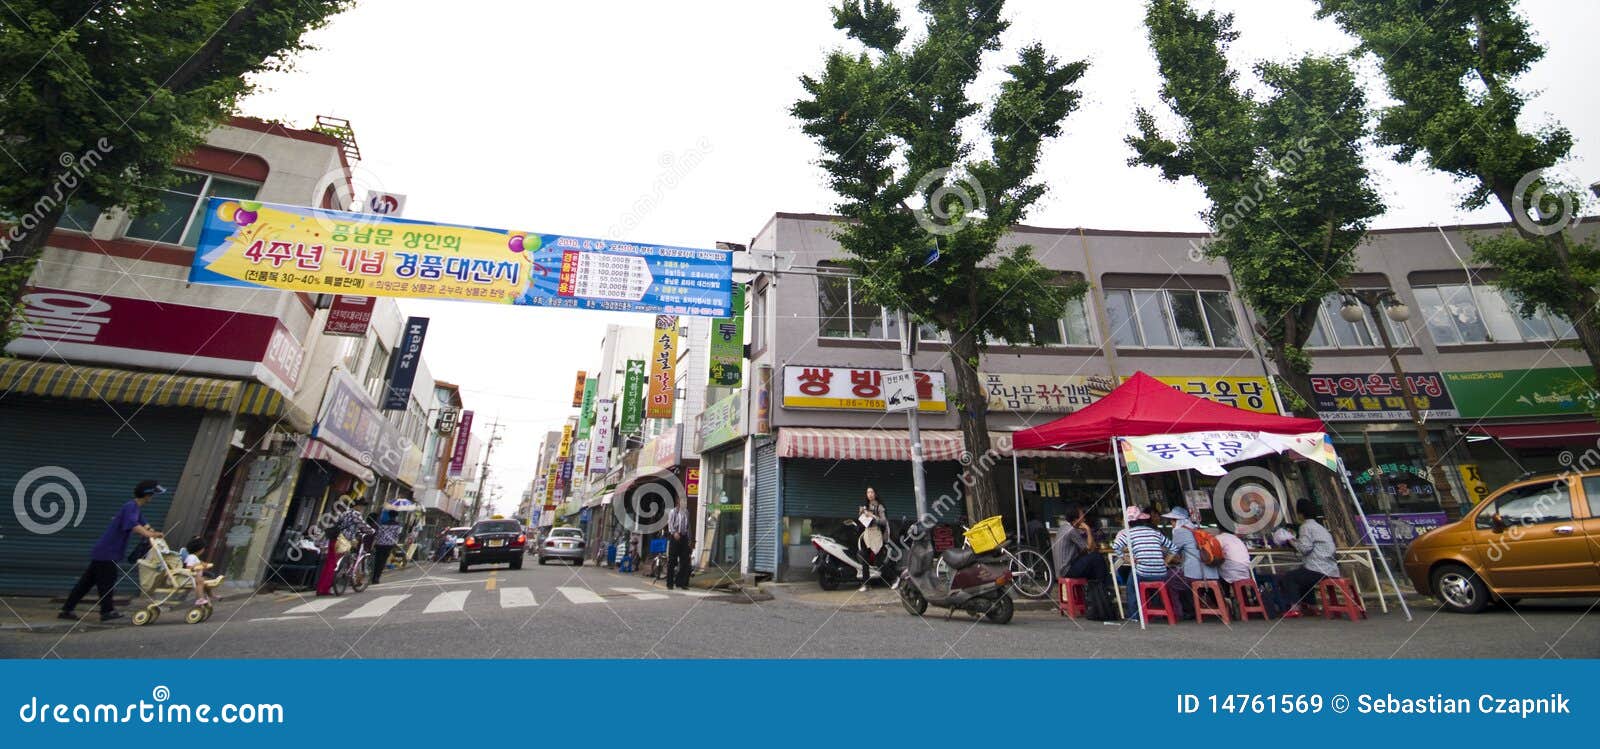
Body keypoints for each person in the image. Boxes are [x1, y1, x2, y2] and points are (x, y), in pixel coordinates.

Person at [60, 480, 166, 622]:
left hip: (104, 551)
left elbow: (144, 525)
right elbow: (134, 525)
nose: (152, 498)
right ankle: (107, 611)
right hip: (107, 552)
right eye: (152, 494)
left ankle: (67, 610)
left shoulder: (135, 509)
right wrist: (151, 535)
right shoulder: (130, 507)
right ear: (147, 495)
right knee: (107, 583)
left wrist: (153, 533)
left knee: (85, 583)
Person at [1271, 499, 1342, 618]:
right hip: (1331, 568)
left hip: (1318, 569)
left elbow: (1305, 548)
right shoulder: (1320, 527)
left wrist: (1290, 539)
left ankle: (1295, 607)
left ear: (1300, 514)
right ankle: (1312, 606)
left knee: (1289, 577)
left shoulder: (1306, 527)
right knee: (1303, 574)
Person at [1110, 506, 1181, 621]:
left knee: (1131, 586)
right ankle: (1160, 614)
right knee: (1157, 588)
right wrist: (1165, 562)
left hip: (1142, 572)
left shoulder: (1128, 533)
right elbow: (1173, 548)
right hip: (1161, 573)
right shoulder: (1154, 532)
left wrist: (1126, 559)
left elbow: (1116, 547)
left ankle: (1134, 616)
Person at [1164, 507, 1217, 619]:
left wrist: (1164, 563)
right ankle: (1192, 608)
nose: (1171, 523)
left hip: (1195, 574)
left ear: (1177, 520)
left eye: (1172, 520)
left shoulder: (1180, 531)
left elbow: (1172, 551)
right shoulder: (1195, 529)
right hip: (1211, 572)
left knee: (1168, 578)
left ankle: (1178, 613)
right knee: (1180, 578)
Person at [317, 496, 371, 596]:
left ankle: (322, 587)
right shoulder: (356, 514)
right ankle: (324, 589)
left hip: (335, 539)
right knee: (332, 565)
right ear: (358, 506)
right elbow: (362, 525)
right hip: (342, 541)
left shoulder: (346, 512)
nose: (363, 508)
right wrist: (371, 531)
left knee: (330, 564)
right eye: (362, 506)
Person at [1052, 503, 1106, 581]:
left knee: (1093, 565)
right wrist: (1088, 529)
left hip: (1061, 571)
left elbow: (1085, 550)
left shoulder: (1063, 528)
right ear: (1075, 519)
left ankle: (1096, 590)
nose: (1084, 518)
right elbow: (1091, 549)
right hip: (1066, 571)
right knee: (1097, 557)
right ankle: (1104, 588)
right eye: (1082, 515)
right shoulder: (1071, 530)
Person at [857, 487, 888, 591]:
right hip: (867, 534)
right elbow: (862, 522)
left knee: (879, 561)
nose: (869, 494)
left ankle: (894, 579)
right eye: (868, 492)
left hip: (876, 534)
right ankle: (866, 584)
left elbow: (884, 521)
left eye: (871, 492)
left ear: (875, 494)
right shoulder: (865, 506)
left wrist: (873, 516)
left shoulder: (879, 506)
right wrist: (861, 513)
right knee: (863, 556)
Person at [664, 496, 692, 590]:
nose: (684, 503)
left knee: (685, 561)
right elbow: (670, 523)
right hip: (675, 536)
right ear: (678, 502)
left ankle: (681, 583)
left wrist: (689, 539)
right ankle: (670, 583)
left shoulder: (686, 512)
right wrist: (674, 532)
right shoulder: (673, 512)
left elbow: (688, 526)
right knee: (672, 561)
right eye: (682, 501)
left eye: (685, 501)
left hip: (683, 537)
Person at [178, 535, 216, 605]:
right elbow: (189, 567)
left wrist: (204, 565)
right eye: (203, 549)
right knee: (201, 581)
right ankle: (200, 599)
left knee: (206, 581)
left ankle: (211, 595)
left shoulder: (195, 557)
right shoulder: (192, 557)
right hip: (192, 577)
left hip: (196, 576)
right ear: (199, 549)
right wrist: (198, 566)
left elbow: (200, 564)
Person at [372, 510, 402, 584]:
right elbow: (396, 536)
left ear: (389, 515)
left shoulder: (383, 524)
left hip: (379, 544)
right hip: (389, 545)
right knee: (383, 561)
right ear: (396, 516)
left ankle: (373, 577)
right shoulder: (397, 525)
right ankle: (377, 578)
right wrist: (395, 543)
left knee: (377, 560)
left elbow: (378, 534)